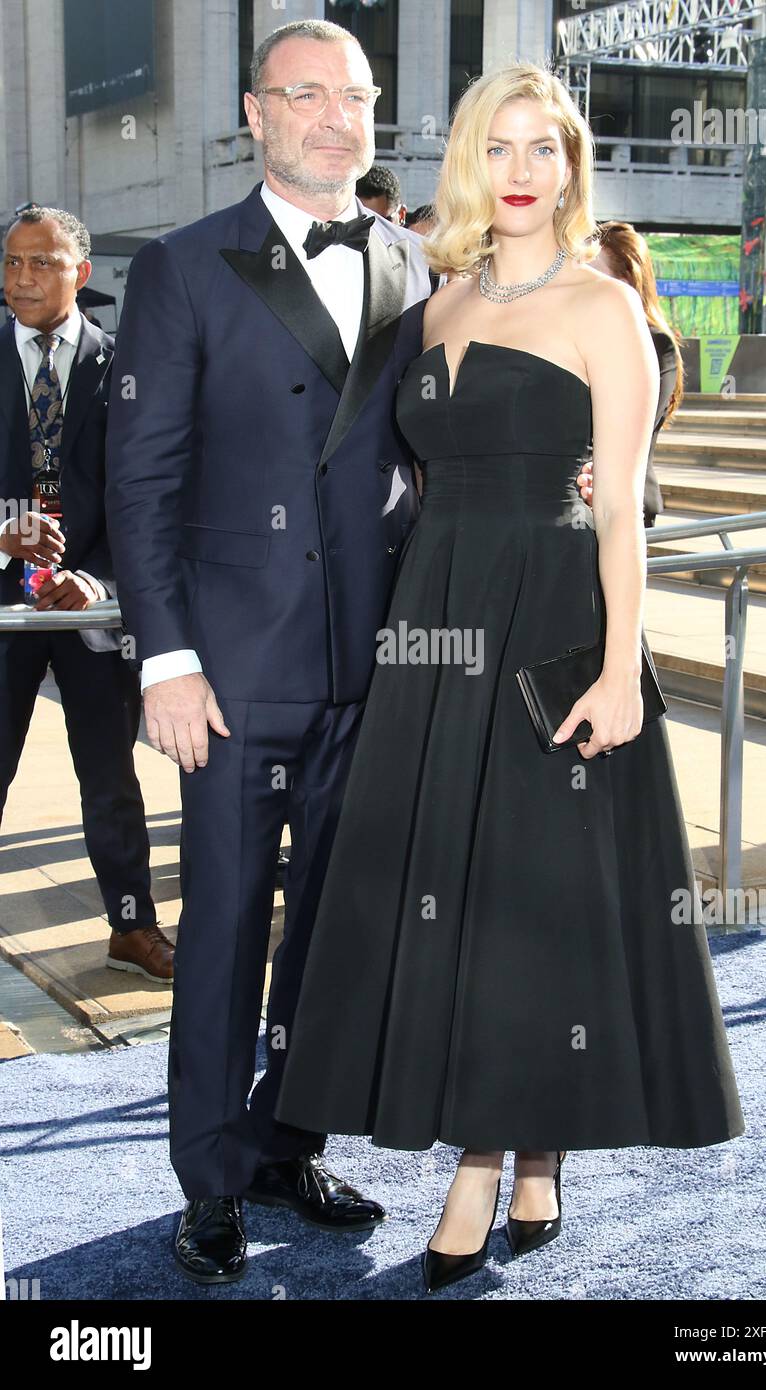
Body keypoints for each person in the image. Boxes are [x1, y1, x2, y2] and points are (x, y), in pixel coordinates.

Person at [274, 61, 745, 1295]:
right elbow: (406, 479)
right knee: (464, 893)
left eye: (547, 150)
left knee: (527, 903)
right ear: (469, 162)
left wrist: (621, 668)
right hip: (437, 633)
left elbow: (623, 517)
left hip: (550, 625)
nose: (524, 172)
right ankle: (534, 1152)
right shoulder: (428, 308)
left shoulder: (604, 311)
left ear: (572, 168)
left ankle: (480, 1164)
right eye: (501, 148)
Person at [104, 19, 437, 1285]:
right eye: (303, 96)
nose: (330, 116)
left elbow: (425, 443)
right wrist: (164, 660)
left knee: (333, 932)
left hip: (378, 659)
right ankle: (209, 1175)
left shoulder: (410, 258)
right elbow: (140, 479)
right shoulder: (186, 265)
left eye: (349, 95)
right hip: (234, 671)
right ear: (256, 114)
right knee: (231, 924)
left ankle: (290, 1137)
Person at [0, 207, 166, 981]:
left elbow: (147, 491)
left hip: (91, 608)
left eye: (42, 263)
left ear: (82, 272)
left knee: (109, 775)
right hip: (3, 605)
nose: (22, 278)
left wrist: (95, 578)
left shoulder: (127, 364)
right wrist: (2, 532)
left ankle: (130, 928)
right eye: (11, 263)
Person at [577, 220, 684, 527]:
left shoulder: (655, 343)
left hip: (622, 506)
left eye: (593, 273)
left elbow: (626, 428)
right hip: (582, 499)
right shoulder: (580, 334)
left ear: (626, 280)